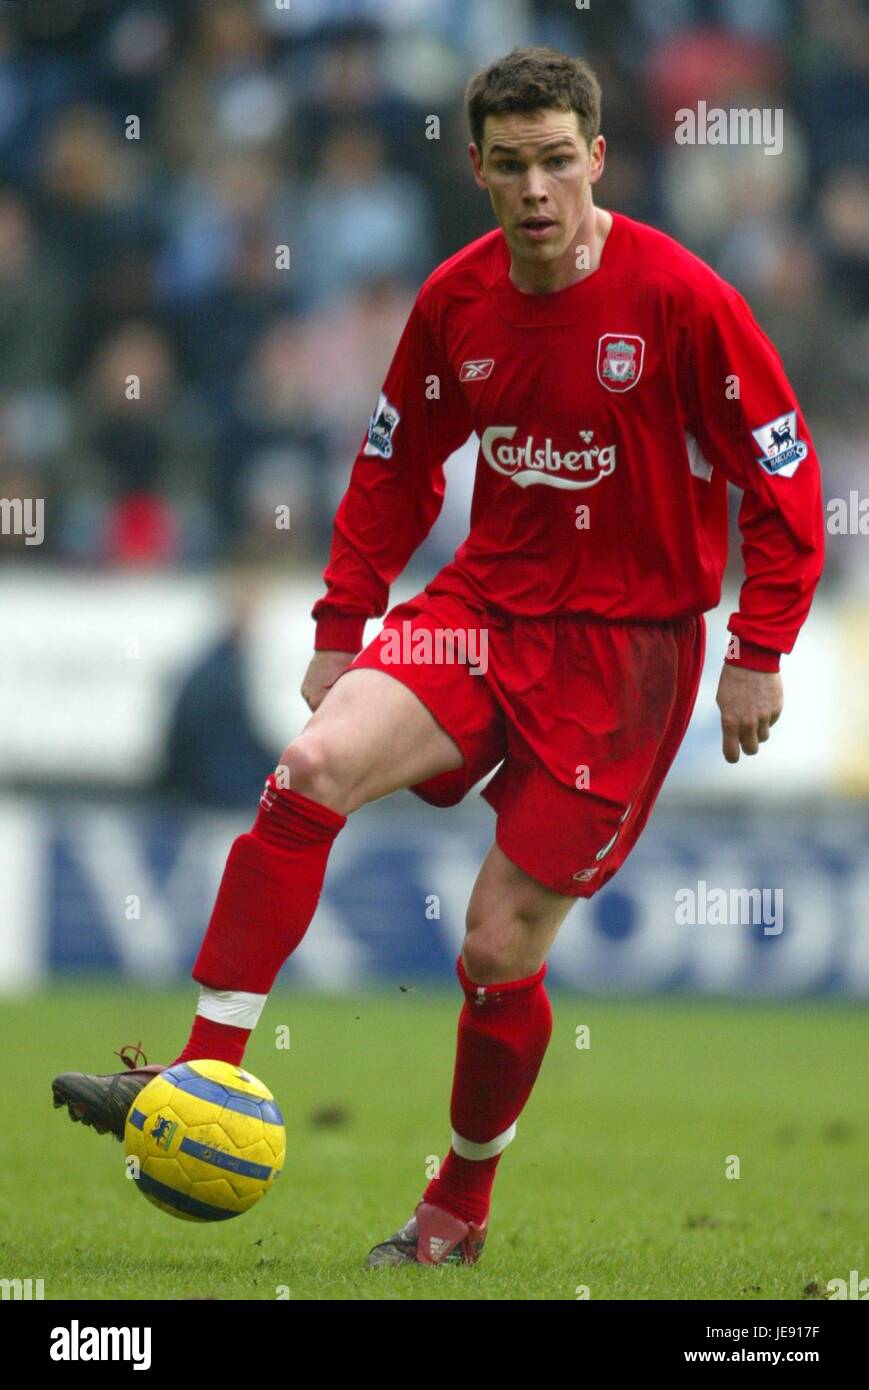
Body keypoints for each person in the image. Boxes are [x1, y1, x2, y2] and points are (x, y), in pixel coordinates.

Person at [52, 47, 824, 1268]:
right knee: (310, 763)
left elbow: (783, 478)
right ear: (476, 168)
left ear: (597, 160)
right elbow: (392, 462)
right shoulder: (455, 301)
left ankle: (452, 1215)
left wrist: (758, 645)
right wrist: (337, 624)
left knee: (494, 947)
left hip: (627, 658)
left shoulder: (679, 299)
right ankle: (198, 1079)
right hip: (483, 612)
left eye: (556, 162)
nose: (534, 189)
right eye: (510, 165)